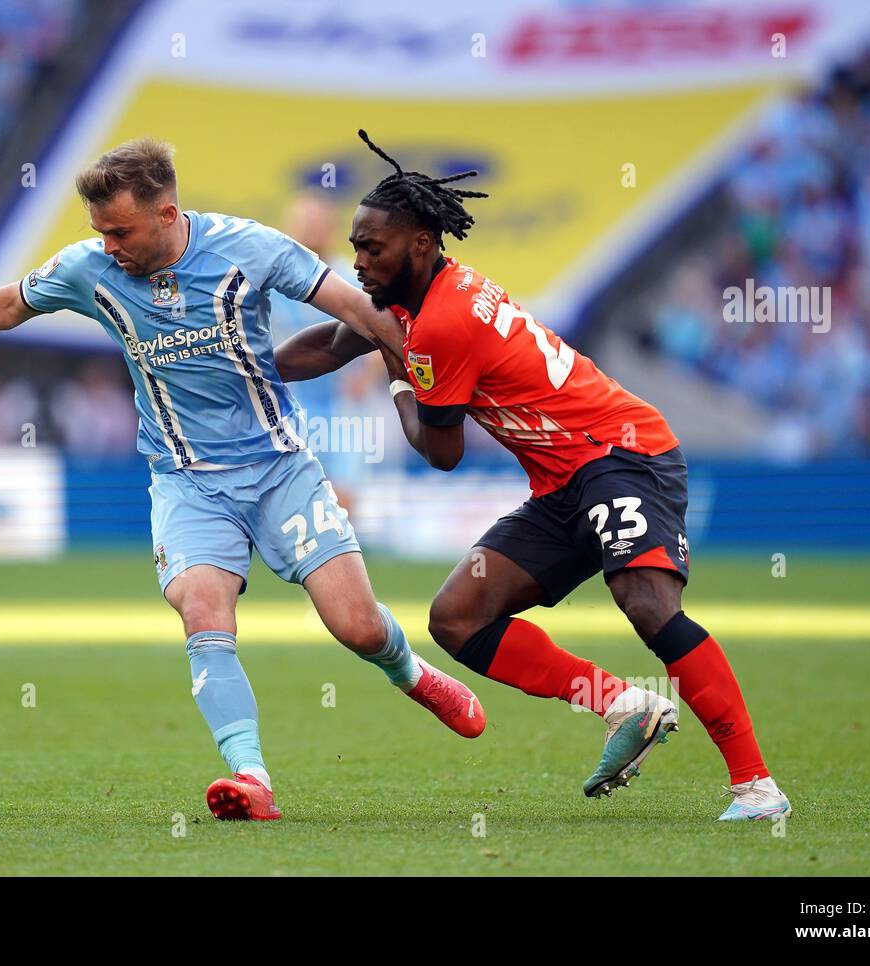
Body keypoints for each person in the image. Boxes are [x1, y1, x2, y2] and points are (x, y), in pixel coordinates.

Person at [0, 137, 487, 822]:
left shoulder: (249, 249)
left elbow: (359, 311)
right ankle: (250, 777)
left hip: (279, 469)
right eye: (99, 232)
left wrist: (427, 371)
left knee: (355, 627)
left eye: (120, 231)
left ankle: (411, 673)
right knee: (203, 612)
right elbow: (11, 304)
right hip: (186, 481)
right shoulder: (90, 268)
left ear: (167, 213)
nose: (108, 246)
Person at [276, 131, 790, 820]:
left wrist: (398, 378)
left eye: (373, 247)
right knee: (458, 619)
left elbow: (443, 451)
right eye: (358, 245)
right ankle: (624, 705)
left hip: (620, 454)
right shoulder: (415, 299)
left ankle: (757, 787)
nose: (359, 261)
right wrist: (244, 369)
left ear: (421, 245)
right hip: (562, 482)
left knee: (645, 602)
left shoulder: (441, 324)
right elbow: (335, 341)